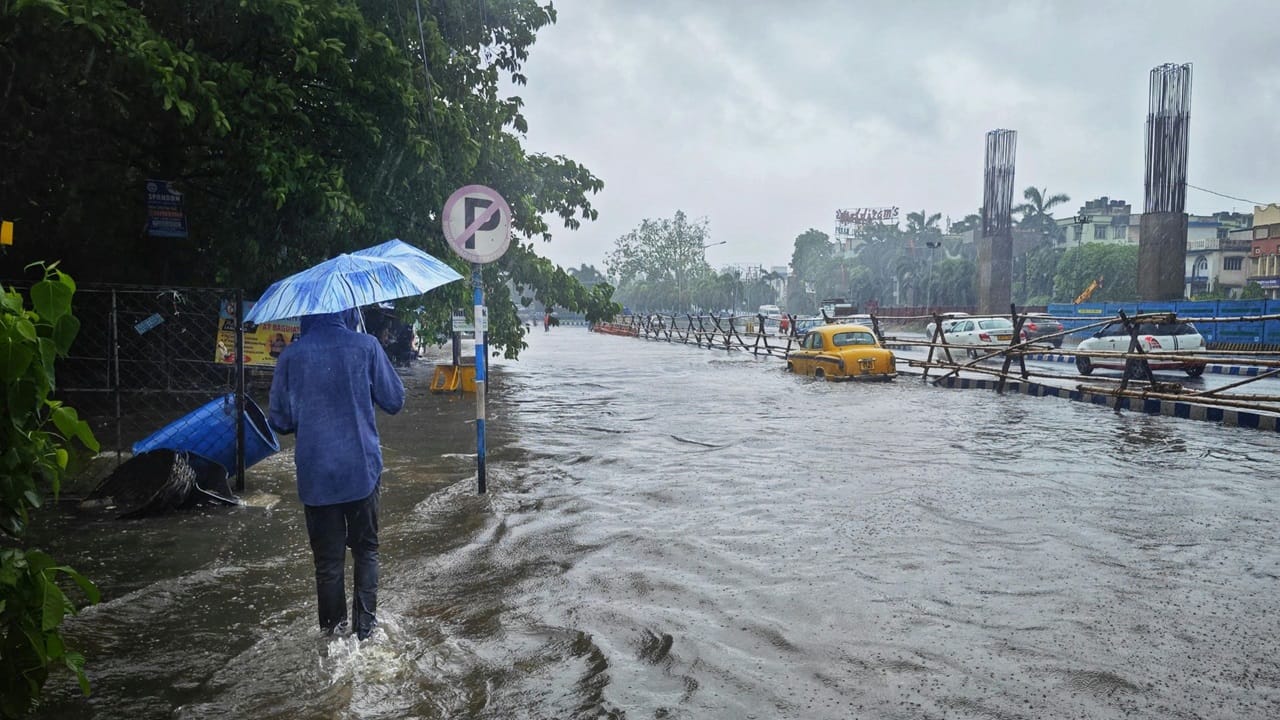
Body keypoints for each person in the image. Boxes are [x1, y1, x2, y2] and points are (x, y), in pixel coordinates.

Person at [268, 308, 405, 641]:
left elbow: (279, 421)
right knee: (366, 551)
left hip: (316, 476)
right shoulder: (367, 346)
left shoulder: (291, 357)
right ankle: (365, 634)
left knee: (328, 565)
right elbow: (395, 399)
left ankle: (332, 640)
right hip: (362, 471)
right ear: (346, 311)